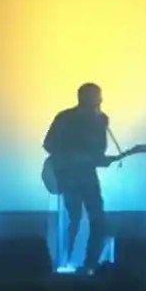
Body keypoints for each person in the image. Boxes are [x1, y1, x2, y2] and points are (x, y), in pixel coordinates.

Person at [43, 83, 111, 273]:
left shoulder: (101, 120)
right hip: (68, 176)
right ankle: (63, 259)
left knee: (97, 219)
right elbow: (48, 144)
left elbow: (98, 151)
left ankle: (90, 264)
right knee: (75, 219)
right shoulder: (65, 118)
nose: (100, 101)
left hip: (87, 175)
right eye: (97, 97)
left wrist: (97, 159)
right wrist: (73, 157)